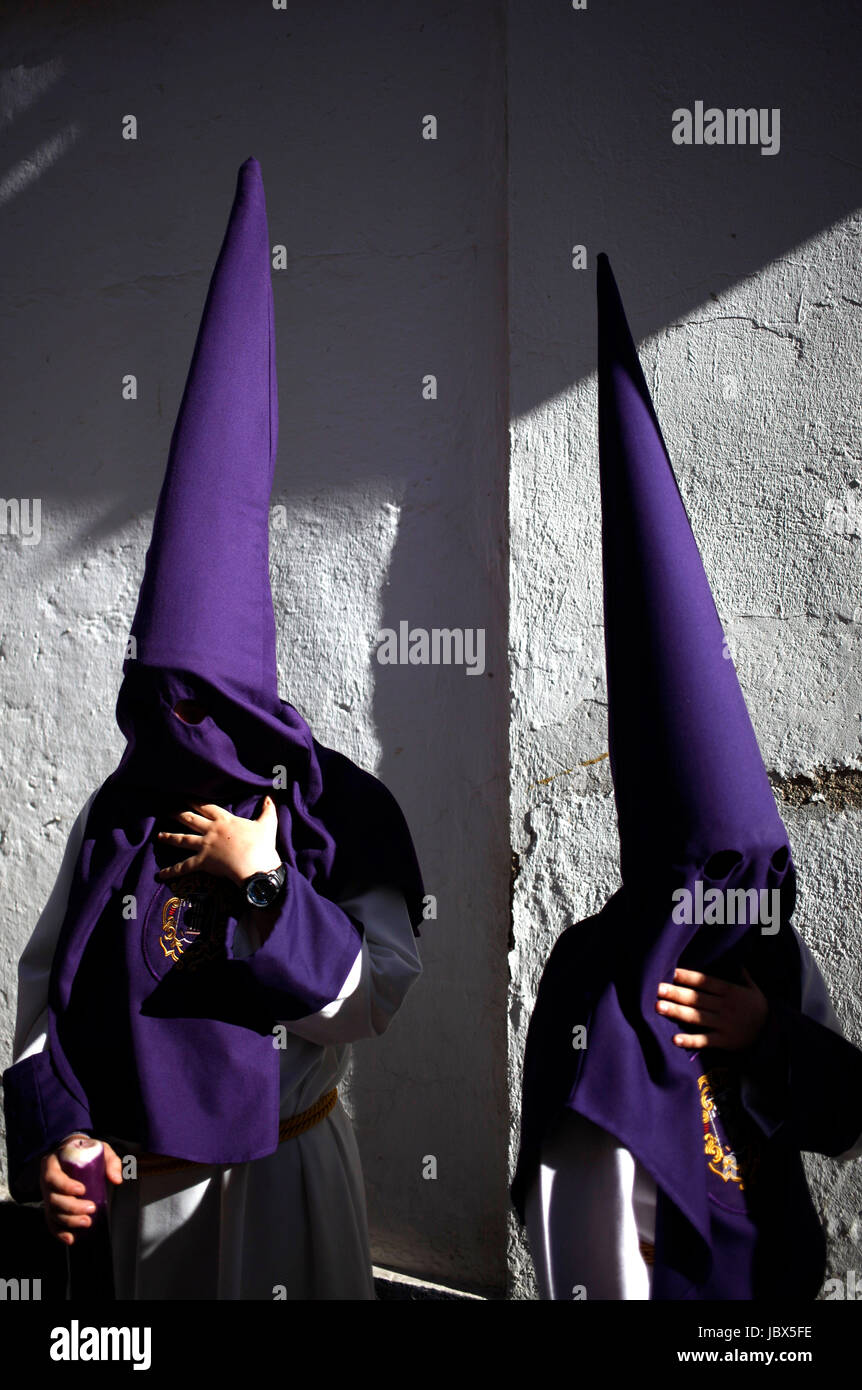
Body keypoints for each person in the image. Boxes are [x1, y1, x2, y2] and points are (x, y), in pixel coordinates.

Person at [3, 157, 425, 1301]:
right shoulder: (117, 811)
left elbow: (374, 998)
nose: (181, 720)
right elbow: (50, 1000)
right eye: (159, 691)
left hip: (282, 1187)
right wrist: (54, 1142)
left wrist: (263, 888)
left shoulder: (343, 809)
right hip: (142, 1198)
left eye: (206, 693)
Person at [511, 253, 862, 1301]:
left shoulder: (769, 961)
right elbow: (585, 1243)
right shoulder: (594, 986)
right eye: (722, 866)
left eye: (763, 865)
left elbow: (844, 1119)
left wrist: (772, 1036)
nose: (747, 891)